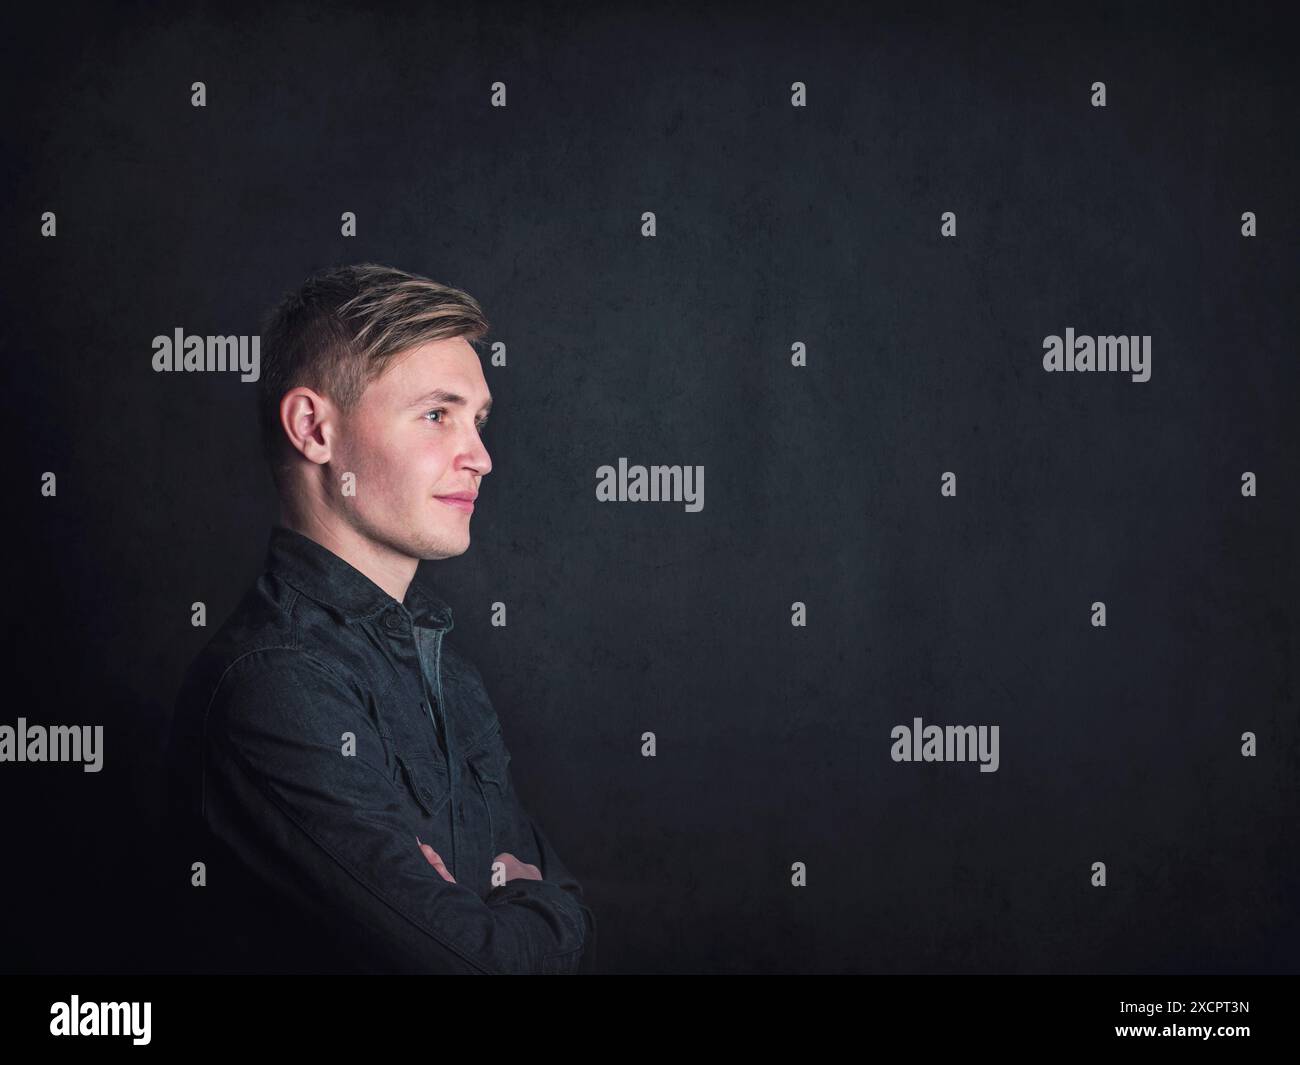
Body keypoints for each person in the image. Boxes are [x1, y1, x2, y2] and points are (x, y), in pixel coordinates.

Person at [162, 262, 596, 974]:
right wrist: (539, 910)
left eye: (478, 419)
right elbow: (480, 963)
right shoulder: (273, 690)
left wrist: (533, 909)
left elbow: (559, 895)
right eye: (437, 413)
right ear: (314, 429)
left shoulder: (446, 672)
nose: (481, 457)